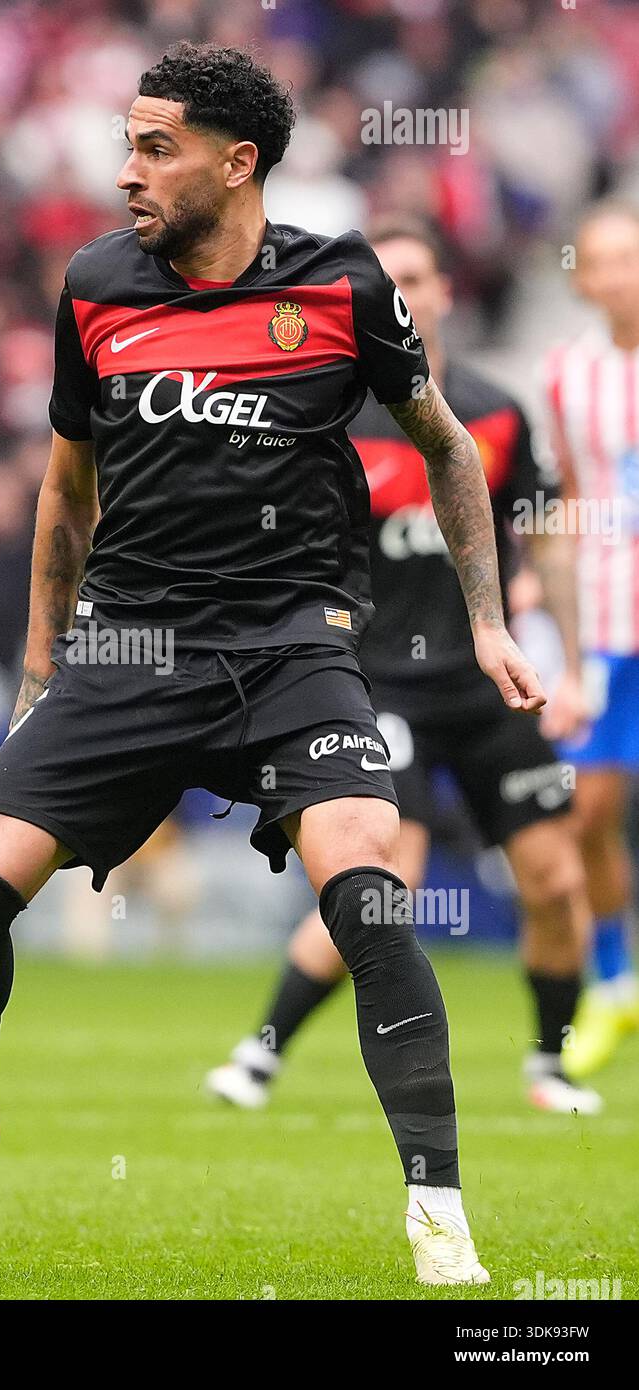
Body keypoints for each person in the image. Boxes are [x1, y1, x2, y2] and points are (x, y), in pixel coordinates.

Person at [0, 43, 548, 1285]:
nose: (126, 173)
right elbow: (67, 489)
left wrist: (487, 620)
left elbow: (446, 448)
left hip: (293, 642)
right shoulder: (97, 283)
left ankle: (438, 1214)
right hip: (129, 643)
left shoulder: (340, 284)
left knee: (367, 888)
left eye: (153, 147)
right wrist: (34, 675)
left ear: (238, 160)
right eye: (125, 143)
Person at [206, 219, 601, 1120]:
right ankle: (260, 1052)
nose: (406, 293)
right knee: (389, 881)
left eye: (418, 276)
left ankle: (549, 1064)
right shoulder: (331, 411)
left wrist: (570, 666)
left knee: (557, 880)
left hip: (487, 677)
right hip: (376, 682)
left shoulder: (494, 411)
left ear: (445, 291)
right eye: (388, 278)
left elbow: (542, 539)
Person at [544, 201, 639, 1077]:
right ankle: (616, 983)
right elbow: (570, 490)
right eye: (600, 261)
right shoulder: (570, 374)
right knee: (587, 812)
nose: (613, 275)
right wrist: (549, 573)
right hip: (612, 625)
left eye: (627, 258)